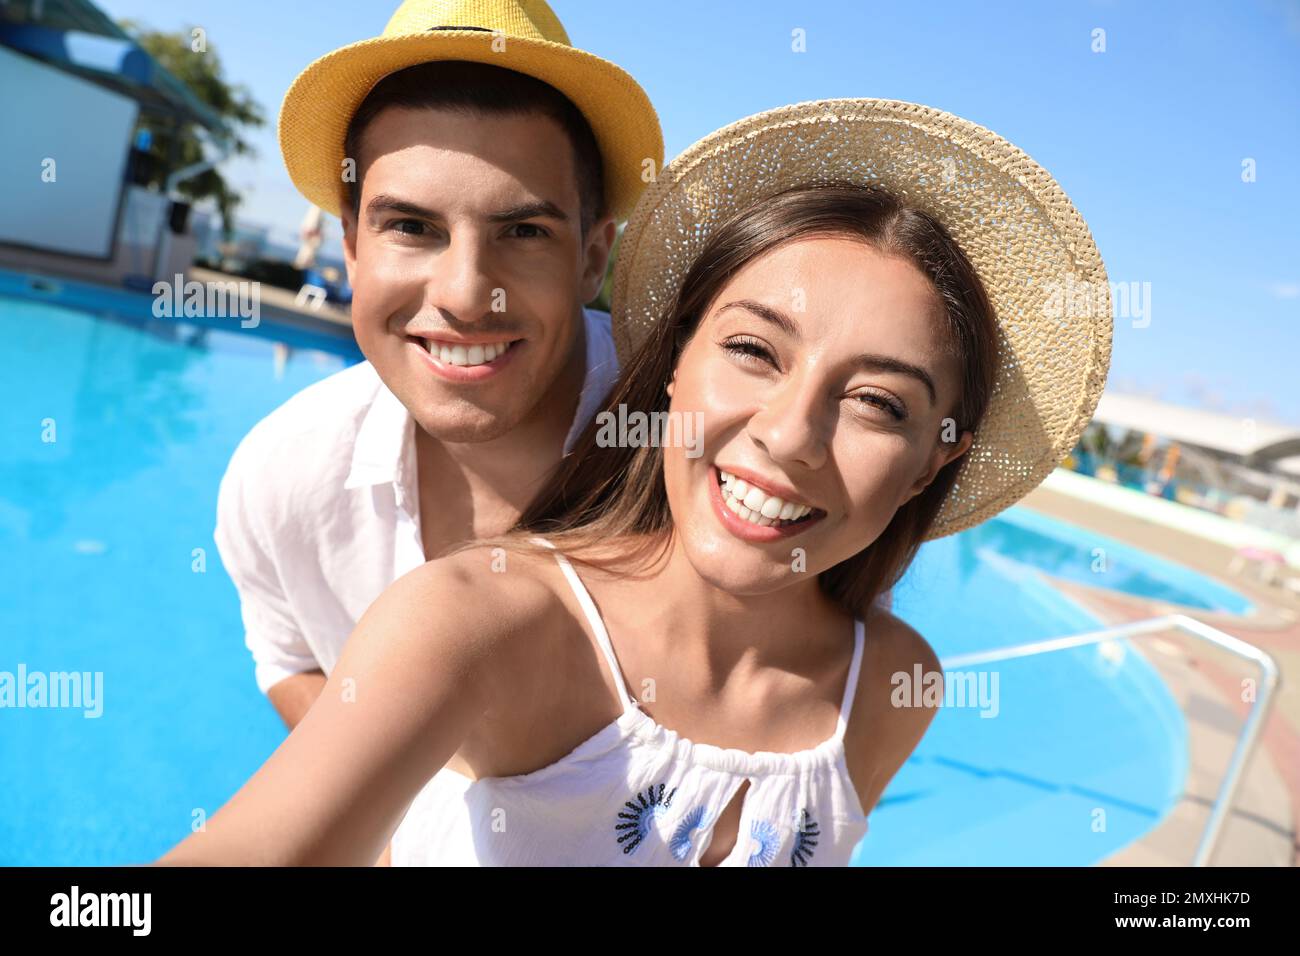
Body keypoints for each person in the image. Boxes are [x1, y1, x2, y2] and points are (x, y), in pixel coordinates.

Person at [161, 98, 1111, 866]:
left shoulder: (897, 685)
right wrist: (397, 784)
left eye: (877, 404)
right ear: (671, 361)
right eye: (752, 350)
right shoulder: (470, 617)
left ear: (935, 457)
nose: (788, 437)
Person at [212, 0, 661, 864]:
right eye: (411, 227)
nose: (465, 293)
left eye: (523, 231)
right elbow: (291, 664)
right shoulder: (280, 475)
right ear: (350, 246)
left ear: (594, 259)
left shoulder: (696, 453)